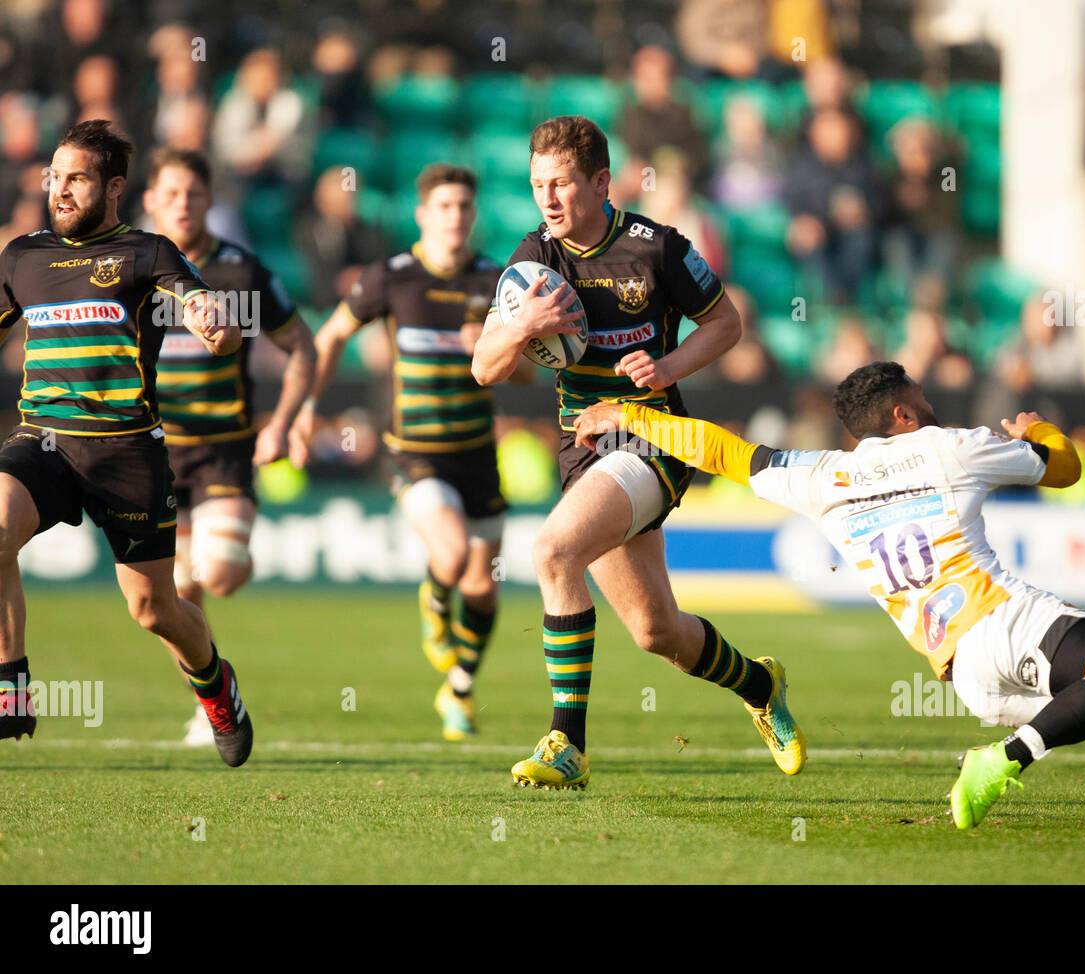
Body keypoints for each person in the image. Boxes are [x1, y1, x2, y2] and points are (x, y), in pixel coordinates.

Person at [573, 363, 1085, 830]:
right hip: (1006, 617)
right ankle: (1004, 760)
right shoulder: (951, 446)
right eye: (921, 397)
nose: (931, 402)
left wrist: (629, 417)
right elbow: (1067, 470)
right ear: (901, 415)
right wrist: (1033, 428)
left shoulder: (822, 475)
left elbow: (718, 449)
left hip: (962, 672)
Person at [472, 115, 803, 790]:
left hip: (651, 441)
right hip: (583, 451)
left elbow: (726, 323)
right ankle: (762, 683)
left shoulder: (658, 248)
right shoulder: (533, 259)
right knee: (658, 632)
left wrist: (669, 366)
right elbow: (484, 367)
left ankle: (568, 743)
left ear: (601, 182)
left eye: (561, 183)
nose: (548, 199)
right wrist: (523, 328)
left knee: (552, 550)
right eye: (538, 184)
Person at [0, 120, 253, 766]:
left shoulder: (147, 251)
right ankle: (10, 686)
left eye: (76, 178)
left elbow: (198, 306)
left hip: (127, 453)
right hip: (45, 441)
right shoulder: (22, 257)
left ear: (113, 187)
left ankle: (216, 687)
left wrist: (214, 324)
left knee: (154, 609)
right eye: (54, 176)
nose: (59, 189)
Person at [292, 164, 511, 741]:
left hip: (477, 453)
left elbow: (531, 377)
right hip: (413, 452)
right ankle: (435, 601)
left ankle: (459, 688)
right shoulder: (392, 276)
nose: (456, 216)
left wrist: (500, 350)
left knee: (484, 586)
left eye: (464, 206)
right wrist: (310, 403)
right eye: (444, 206)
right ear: (422, 215)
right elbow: (334, 333)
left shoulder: (495, 282)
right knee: (454, 550)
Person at [142, 146, 317, 746]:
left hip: (224, 452)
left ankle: (233, 551)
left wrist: (284, 421)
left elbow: (304, 347)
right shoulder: (131, 270)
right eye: (170, 194)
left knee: (213, 575)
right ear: (150, 201)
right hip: (152, 454)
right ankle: (211, 700)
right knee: (172, 597)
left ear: (210, 201)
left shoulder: (243, 272)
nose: (182, 205)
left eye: (193, 194)